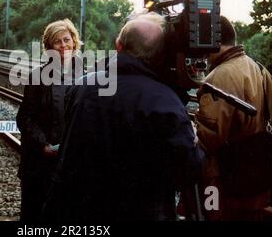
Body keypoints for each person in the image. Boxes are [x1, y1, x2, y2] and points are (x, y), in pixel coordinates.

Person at [42, 12, 205, 221]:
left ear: (119, 46)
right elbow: (189, 170)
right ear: (162, 54)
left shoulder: (82, 85)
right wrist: (195, 143)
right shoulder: (166, 102)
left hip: (78, 211)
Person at [195, 16, 272, 220]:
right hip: (258, 172)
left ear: (211, 42)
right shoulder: (258, 67)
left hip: (227, 179)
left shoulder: (219, 77)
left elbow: (208, 138)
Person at [16, 18, 83, 222]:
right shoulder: (38, 77)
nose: (63, 46)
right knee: (36, 215)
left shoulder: (85, 77)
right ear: (49, 47)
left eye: (66, 40)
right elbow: (24, 118)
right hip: (40, 163)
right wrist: (42, 145)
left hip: (70, 162)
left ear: (74, 41)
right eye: (57, 42)